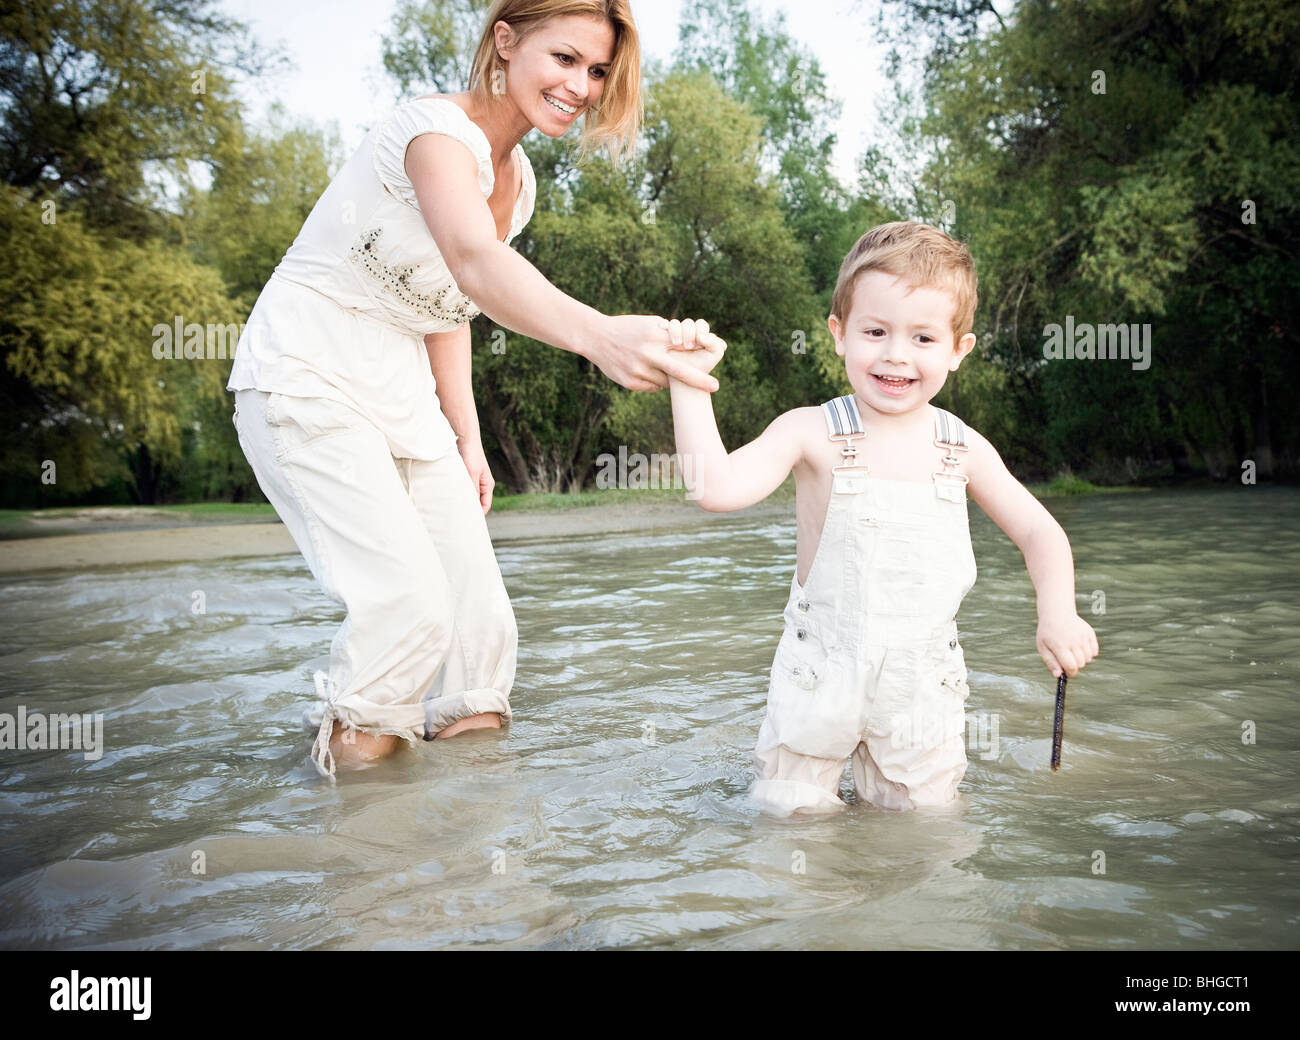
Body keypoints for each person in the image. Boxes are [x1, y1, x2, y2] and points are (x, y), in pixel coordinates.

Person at [227, 0, 720, 779]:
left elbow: (449, 304)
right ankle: (355, 841)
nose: (582, 86)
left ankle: (463, 851)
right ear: (505, 41)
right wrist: (597, 334)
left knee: (478, 640)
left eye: (596, 71)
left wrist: (467, 435)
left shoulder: (516, 183)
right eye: (564, 59)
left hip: (404, 395)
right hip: (306, 375)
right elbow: (471, 259)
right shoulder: (433, 134)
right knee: (408, 612)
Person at [667, 221, 1099, 815]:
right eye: (875, 331)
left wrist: (1058, 610)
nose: (896, 353)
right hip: (820, 672)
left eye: (923, 338)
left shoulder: (964, 448)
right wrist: (688, 382)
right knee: (789, 815)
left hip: (921, 683)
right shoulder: (810, 430)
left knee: (921, 828)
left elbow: (1038, 531)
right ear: (839, 334)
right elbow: (713, 488)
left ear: (958, 350)